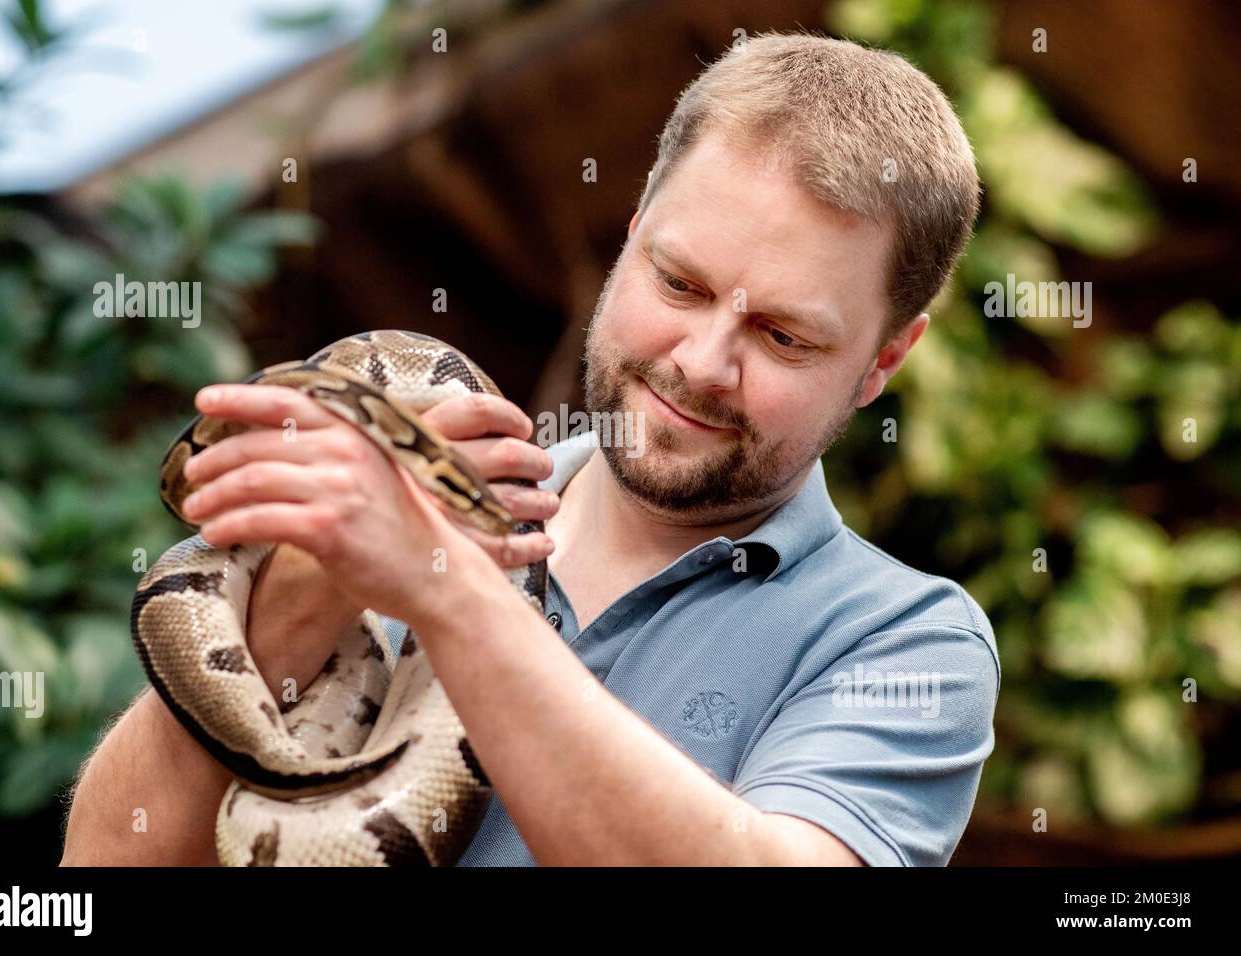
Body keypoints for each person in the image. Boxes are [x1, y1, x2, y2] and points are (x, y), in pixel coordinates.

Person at [62, 30, 998, 867]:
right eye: (678, 283)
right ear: (629, 238)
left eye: (785, 337)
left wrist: (445, 586)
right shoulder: (383, 510)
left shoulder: (903, 643)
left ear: (882, 362)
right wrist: (307, 585)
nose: (704, 364)